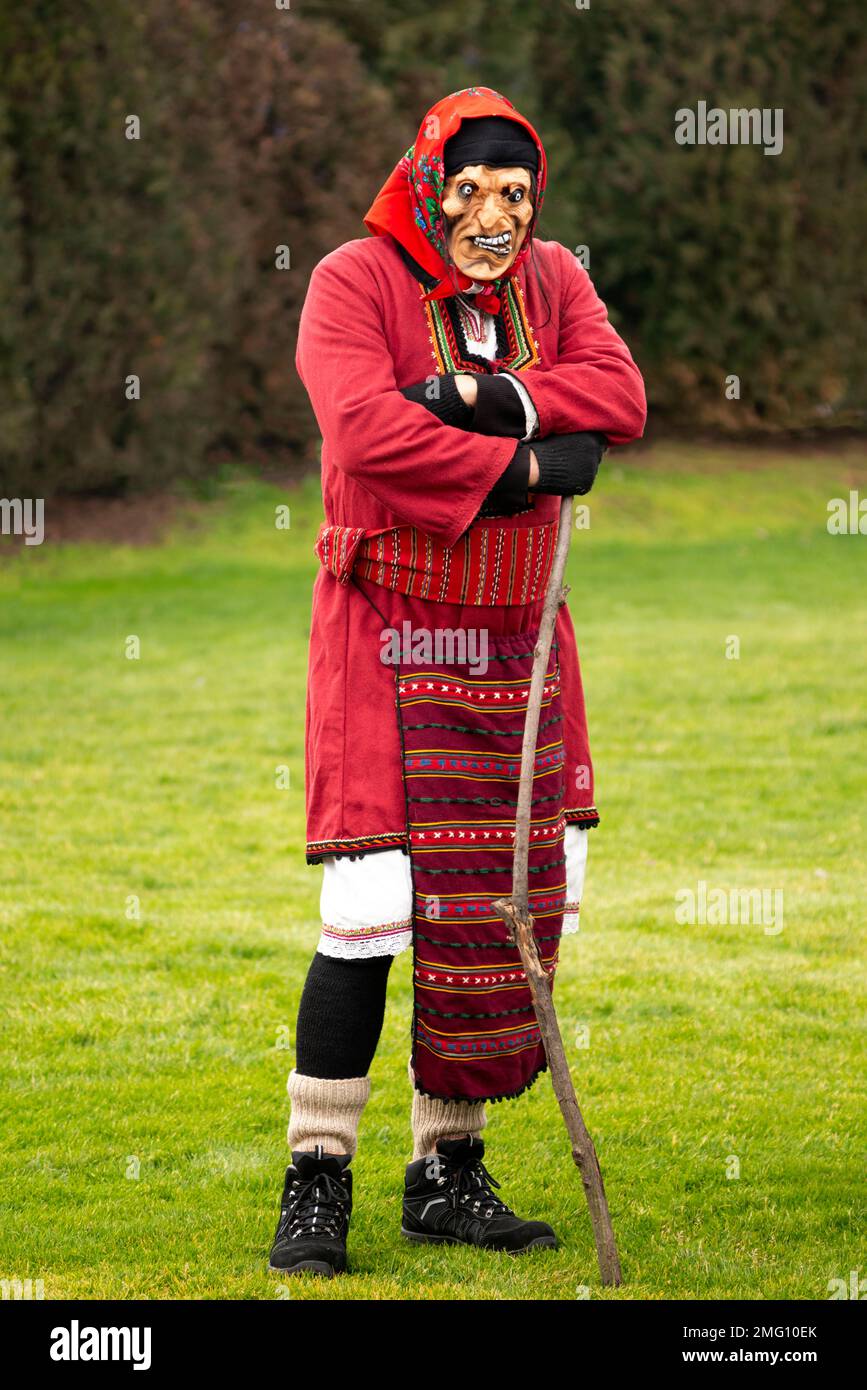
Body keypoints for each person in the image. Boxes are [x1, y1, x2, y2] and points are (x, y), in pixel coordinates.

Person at [269, 86, 646, 1278]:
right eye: (473, 190)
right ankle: (316, 1180)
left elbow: (622, 399)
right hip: (390, 631)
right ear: (429, 182)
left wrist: (490, 396)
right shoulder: (352, 280)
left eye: (518, 193)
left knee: (496, 908)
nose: (495, 214)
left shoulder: (554, 284)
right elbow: (364, 431)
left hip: (518, 639)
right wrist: (537, 460)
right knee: (370, 912)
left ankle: (447, 1172)